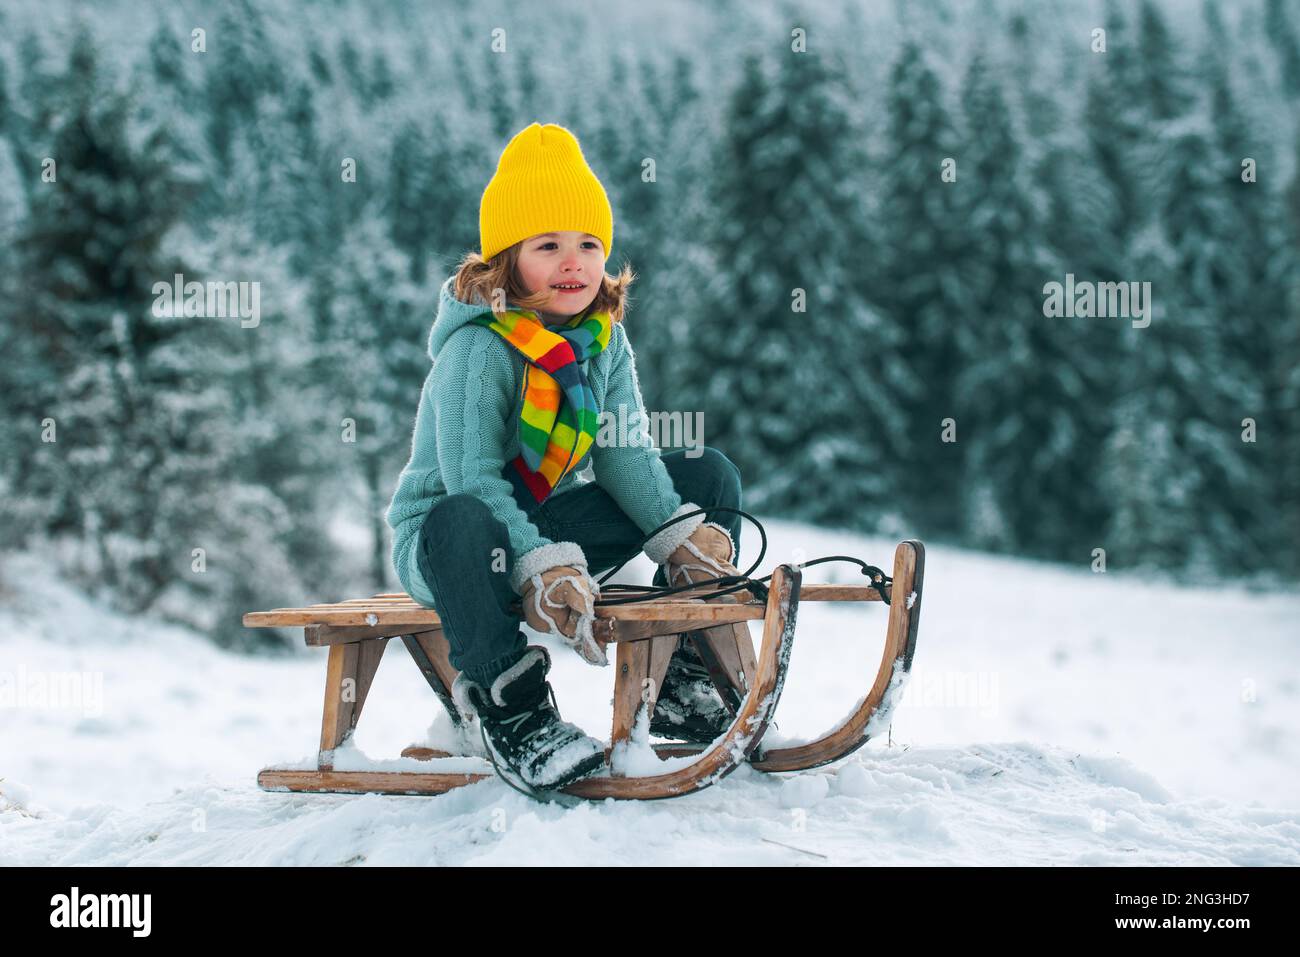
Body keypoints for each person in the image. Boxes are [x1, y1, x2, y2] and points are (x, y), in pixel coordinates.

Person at [385, 122, 745, 792]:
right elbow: (477, 483)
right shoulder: (479, 350)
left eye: (588, 243)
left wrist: (678, 538)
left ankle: (682, 673)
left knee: (708, 476)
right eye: (547, 245)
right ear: (505, 262)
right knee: (463, 517)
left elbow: (623, 455)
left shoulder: (602, 343)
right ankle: (513, 706)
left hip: (542, 522)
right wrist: (540, 565)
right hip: (456, 544)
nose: (573, 261)